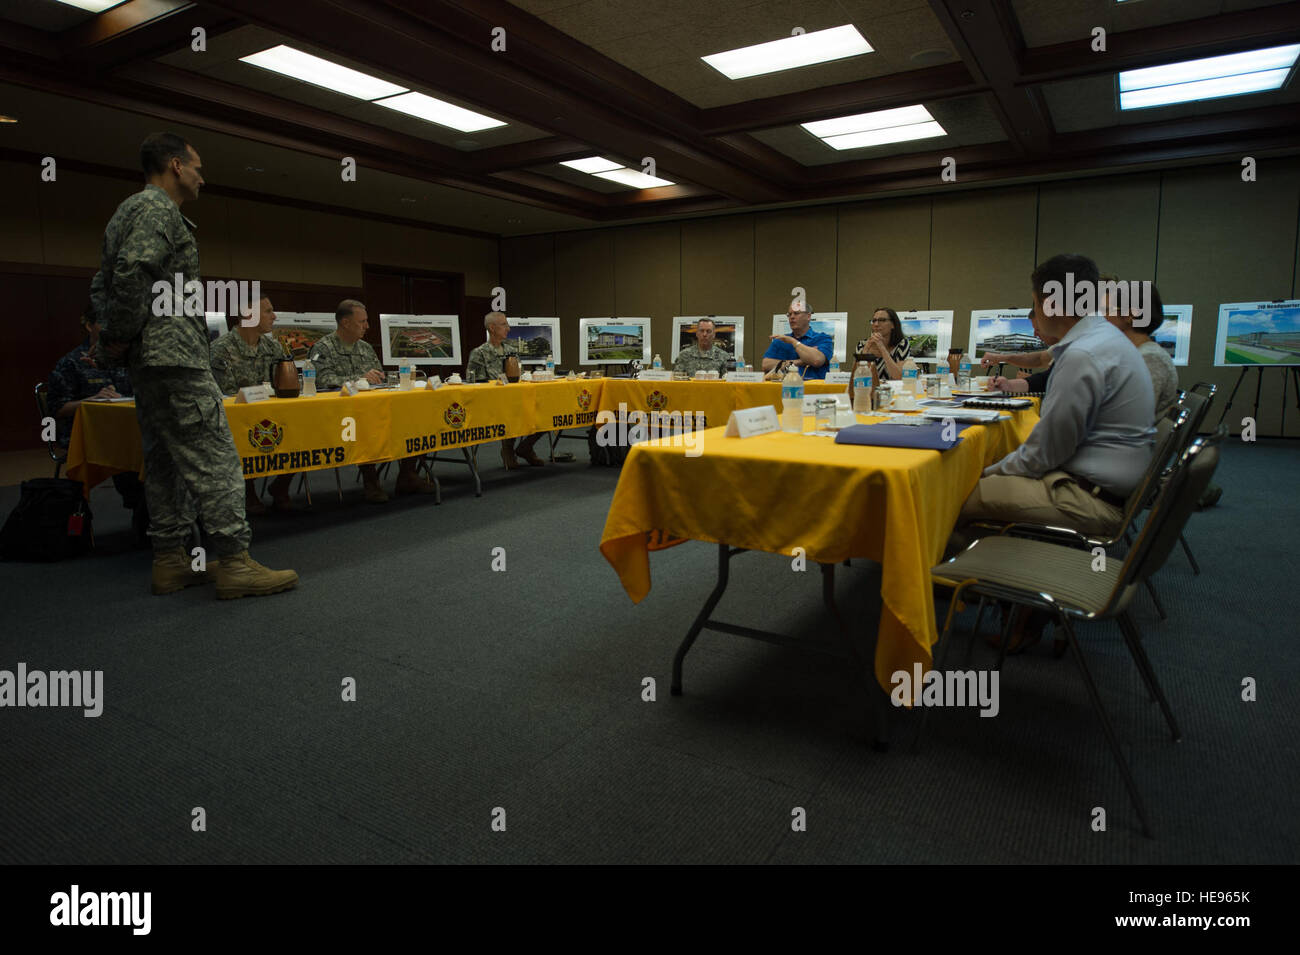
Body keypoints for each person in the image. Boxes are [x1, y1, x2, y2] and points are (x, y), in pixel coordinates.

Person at [91, 131, 297, 598]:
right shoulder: (156, 209)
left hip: (151, 358)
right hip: (175, 357)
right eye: (198, 167)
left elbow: (102, 283)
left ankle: (170, 560)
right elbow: (130, 275)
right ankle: (234, 562)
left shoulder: (127, 212)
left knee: (164, 461)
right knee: (215, 458)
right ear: (176, 166)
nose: (203, 177)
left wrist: (116, 341)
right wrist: (118, 337)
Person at [951, 254, 1155, 647]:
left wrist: (986, 473)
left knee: (949, 495)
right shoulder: (1103, 341)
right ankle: (995, 587)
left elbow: (1045, 454)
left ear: (1051, 303)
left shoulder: (1082, 354)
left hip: (1087, 498)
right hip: (1104, 487)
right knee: (977, 478)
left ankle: (1009, 595)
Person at [308, 299, 438, 500]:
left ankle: (408, 475)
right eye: (362, 321)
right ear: (345, 323)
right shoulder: (323, 348)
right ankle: (371, 481)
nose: (367, 326)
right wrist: (357, 380)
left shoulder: (366, 348)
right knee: (366, 427)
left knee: (414, 419)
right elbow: (321, 381)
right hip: (341, 415)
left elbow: (380, 376)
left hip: (373, 407)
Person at [48, 303, 147, 537]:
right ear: (88, 325)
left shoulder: (124, 362)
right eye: (103, 323)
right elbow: (57, 408)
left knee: (154, 448)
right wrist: (91, 400)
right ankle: (143, 514)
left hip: (126, 429)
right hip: (87, 433)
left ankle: (151, 515)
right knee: (132, 453)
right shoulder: (71, 363)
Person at [209, 295, 296, 512]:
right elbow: (227, 394)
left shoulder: (273, 347)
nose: (274, 316)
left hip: (272, 414)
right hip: (236, 421)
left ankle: (281, 485)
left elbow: (284, 383)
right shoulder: (222, 349)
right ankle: (247, 490)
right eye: (268, 311)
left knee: (302, 427)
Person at [465, 311, 545, 469]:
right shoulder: (479, 353)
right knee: (513, 410)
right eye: (504, 325)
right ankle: (507, 450)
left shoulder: (511, 351)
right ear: (492, 328)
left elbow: (520, 376)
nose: (508, 328)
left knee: (546, 410)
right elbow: (474, 382)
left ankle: (526, 446)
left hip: (515, 397)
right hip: (492, 402)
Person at [762, 299, 833, 380]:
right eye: (789, 314)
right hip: (784, 388)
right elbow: (766, 365)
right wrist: (801, 361)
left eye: (796, 313)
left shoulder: (822, 338)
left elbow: (816, 361)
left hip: (813, 390)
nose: (792, 317)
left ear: (808, 316)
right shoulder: (780, 341)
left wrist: (793, 342)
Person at [854, 308, 910, 380]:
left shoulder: (902, 344)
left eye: (882, 320)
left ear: (893, 324)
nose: (876, 324)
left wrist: (882, 347)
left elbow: (898, 376)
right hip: (869, 388)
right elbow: (858, 376)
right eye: (874, 321)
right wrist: (866, 349)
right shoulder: (862, 344)